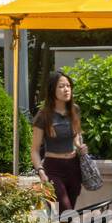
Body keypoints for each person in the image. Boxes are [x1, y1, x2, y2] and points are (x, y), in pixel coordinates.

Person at [31, 71, 87, 214]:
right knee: (66, 210)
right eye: (61, 86)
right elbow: (35, 150)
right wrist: (41, 172)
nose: (66, 89)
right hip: (54, 169)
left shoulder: (74, 110)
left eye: (68, 86)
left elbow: (76, 136)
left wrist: (80, 146)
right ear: (52, 90)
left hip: (74, 168)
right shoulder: (43, 116)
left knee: (68, 213)